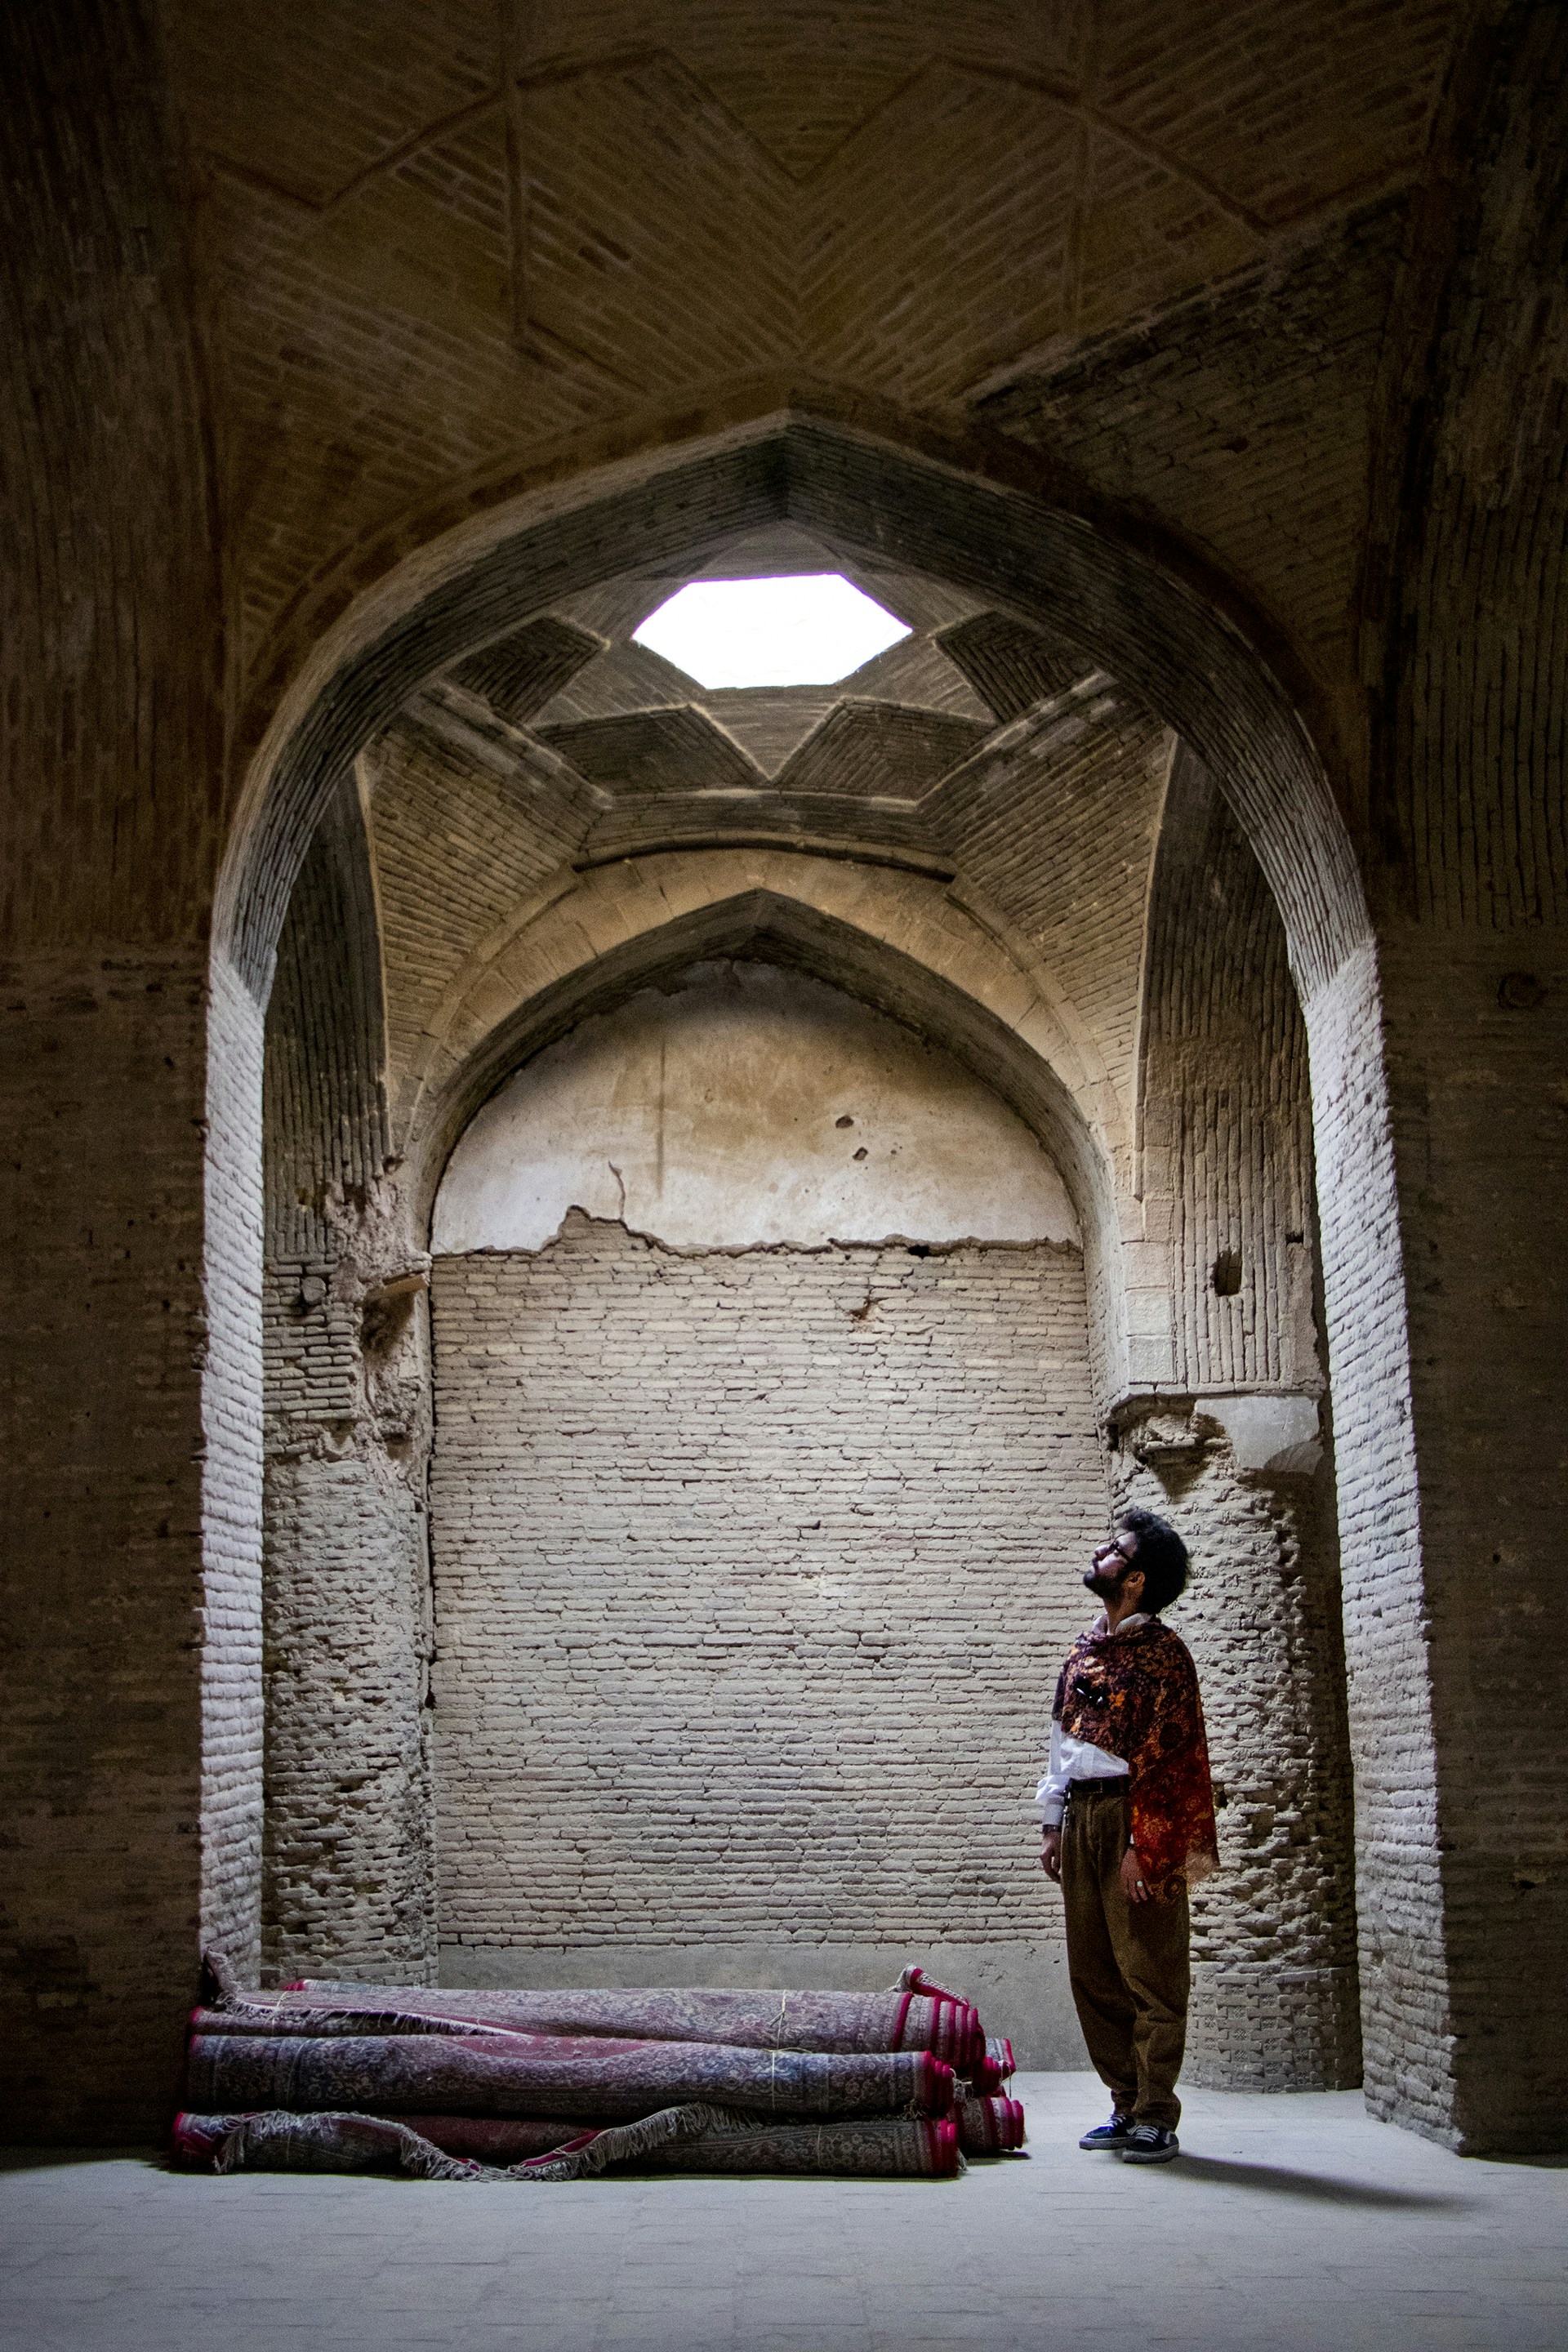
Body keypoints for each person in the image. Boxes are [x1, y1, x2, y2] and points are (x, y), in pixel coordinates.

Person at [1037, 1506, 1218, 2163]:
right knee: (1094, 1971)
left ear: (1136, 1579)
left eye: (1114, 1549)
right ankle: (1124, 2102)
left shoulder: (1165, 1657)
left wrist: (1146, 1846)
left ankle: (1156, 2114)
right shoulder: (1083, 1651)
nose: (1100, 1554)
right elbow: (1060, 1740)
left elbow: (1173, 1760)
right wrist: (1053, 1821)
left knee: (1151, 1969)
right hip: (1082, 1817)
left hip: (1135, 1817)